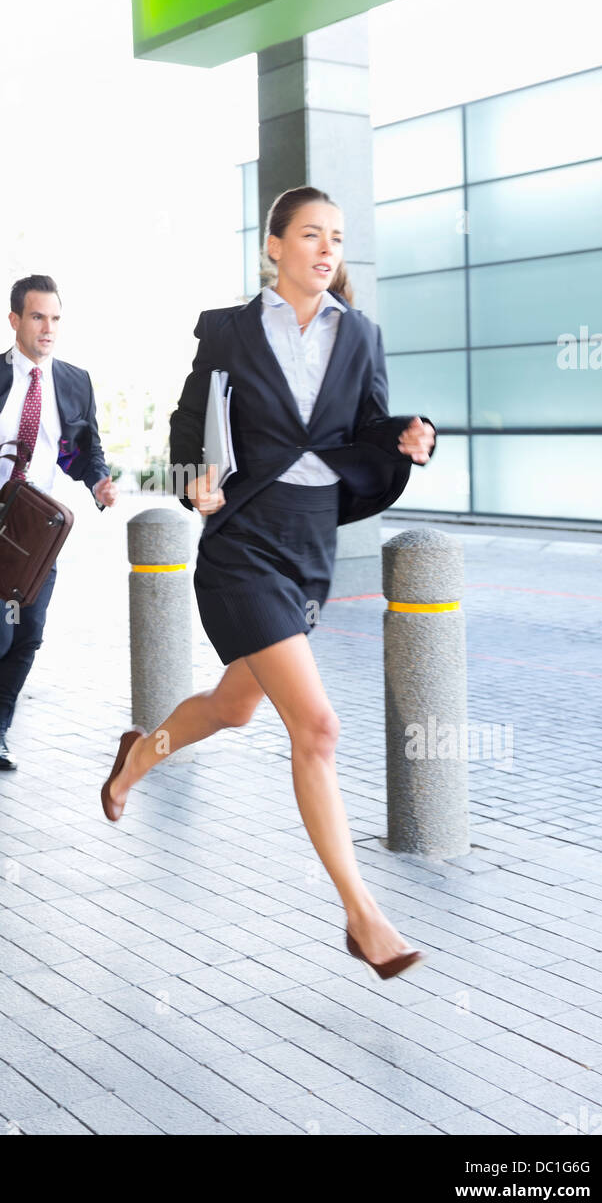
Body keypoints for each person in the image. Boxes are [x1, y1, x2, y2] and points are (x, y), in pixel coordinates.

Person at [101, 186, 437, 981]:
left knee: (235, 705)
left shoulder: (361, 336)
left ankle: (136, 758)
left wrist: (412, 438)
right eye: (312, 234)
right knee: (317, 728)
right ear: (274, 246)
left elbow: (366, 430)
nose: (327, 249)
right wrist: (194, 483)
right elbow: (188, 429)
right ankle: (364, 917)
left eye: (338, 238)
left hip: (308, 546)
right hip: (243, 540)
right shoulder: (228, 329)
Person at [0, 274, 117, 770]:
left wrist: (98, 482)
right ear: (14, 320)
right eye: (37, 316)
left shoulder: (75, 381)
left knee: (27, 635)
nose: (47, 327)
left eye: (54, 318)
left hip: (36, 529)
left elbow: (85, 446)